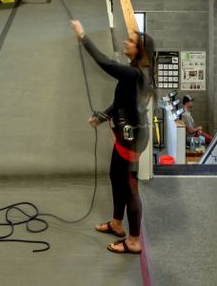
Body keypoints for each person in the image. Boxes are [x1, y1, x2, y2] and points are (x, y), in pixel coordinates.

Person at [71, 19, 155, 256]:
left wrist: (82, 35)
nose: (126, 42)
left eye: (131, 41)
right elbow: (122, 103)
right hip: (126, 136)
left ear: (140, 50)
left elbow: (104, 63)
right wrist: (102, 116)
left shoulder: (134, 74)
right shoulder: (135, 75)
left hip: (132, 139)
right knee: (115, 177)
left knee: (129, 187)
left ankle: (135, 240)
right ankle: (117, 223)